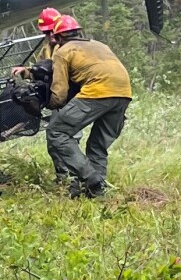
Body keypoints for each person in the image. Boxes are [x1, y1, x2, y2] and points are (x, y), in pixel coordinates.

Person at [39, 13, 131, 198]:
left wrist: (44, 104)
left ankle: (91, 178)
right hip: (124, 93)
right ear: (78, 32)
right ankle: (97, 193)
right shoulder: (99, 45)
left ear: (58, 37)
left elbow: (59, 94)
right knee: (97, 145)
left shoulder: (63, 51)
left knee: (56, 132)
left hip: (97, 92)